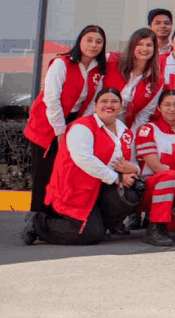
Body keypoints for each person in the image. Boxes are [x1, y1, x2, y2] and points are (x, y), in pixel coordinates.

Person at [22, 88, 142, 246]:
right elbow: (83, 159)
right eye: (104, 101)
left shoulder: (125, 131)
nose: (109, 105)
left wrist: (133, 170)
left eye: (114, 101)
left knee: (133, 193)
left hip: (100, 187)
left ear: (120, 106)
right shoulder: (82, 127)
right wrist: (116, 177)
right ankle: (39, 223)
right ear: (95, 106)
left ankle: (99, 226)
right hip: (75, 187)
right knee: (89, 235)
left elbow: (129, 161)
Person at [23, 25, 107, 217]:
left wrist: (77, 128)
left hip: (72, 121)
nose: (93, 45)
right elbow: (51, 99)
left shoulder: (98, 70)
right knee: (43, 173)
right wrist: (60, 131)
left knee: (61, 172)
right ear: (80, 41)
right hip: (47, 122)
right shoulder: (62, 63)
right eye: (89, 40)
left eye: (98, 42)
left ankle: (53, 219)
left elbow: (91, 103)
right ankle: (35, 219)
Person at [133, 89, 175, 247]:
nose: (172, 109)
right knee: (169, 177)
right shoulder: (148, 130)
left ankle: (166, 224)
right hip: (151, 188)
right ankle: (155, 228)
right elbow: (154, 165)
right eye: (167, 105)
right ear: (159, 108)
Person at [103, 27, 161, 134]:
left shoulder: (156, 80)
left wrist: (130, 139)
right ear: (132, 46)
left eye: (149, 45)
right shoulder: (111, 61)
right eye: (140, 44)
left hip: (124, 128)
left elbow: (143, 115)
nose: (144, 49)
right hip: (99, 121)